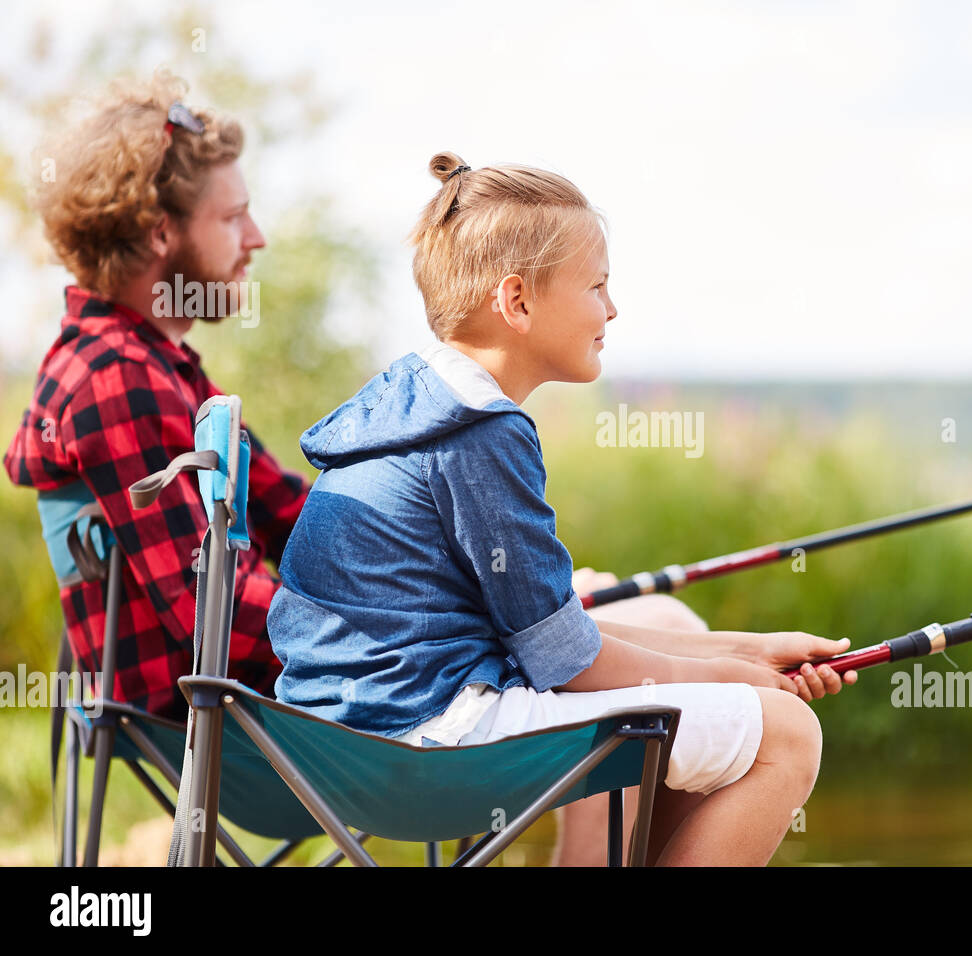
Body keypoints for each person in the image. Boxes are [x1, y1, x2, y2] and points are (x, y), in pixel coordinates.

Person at [267, 152, 859, 866]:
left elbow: (549, 636)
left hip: (341, 742)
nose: (611, 310)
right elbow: (567, 661)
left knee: (672, 642)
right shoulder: (480, 432)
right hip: (433, 746)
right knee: (787, 734)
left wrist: (747, 652)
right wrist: (743, 680)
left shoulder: (412, 406)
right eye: (597, 286)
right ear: (516, 303)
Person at [3, 71, 306, 720]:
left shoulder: (156, 364)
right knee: (570, 682)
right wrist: (401, 636)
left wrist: (439, 572)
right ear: (161, 232)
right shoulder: (115, 376)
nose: (256, 238)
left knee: (564, 641)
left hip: (248, 705)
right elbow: (213, 611)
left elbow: (294, 513)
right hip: (225, 718)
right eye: (233, 216)